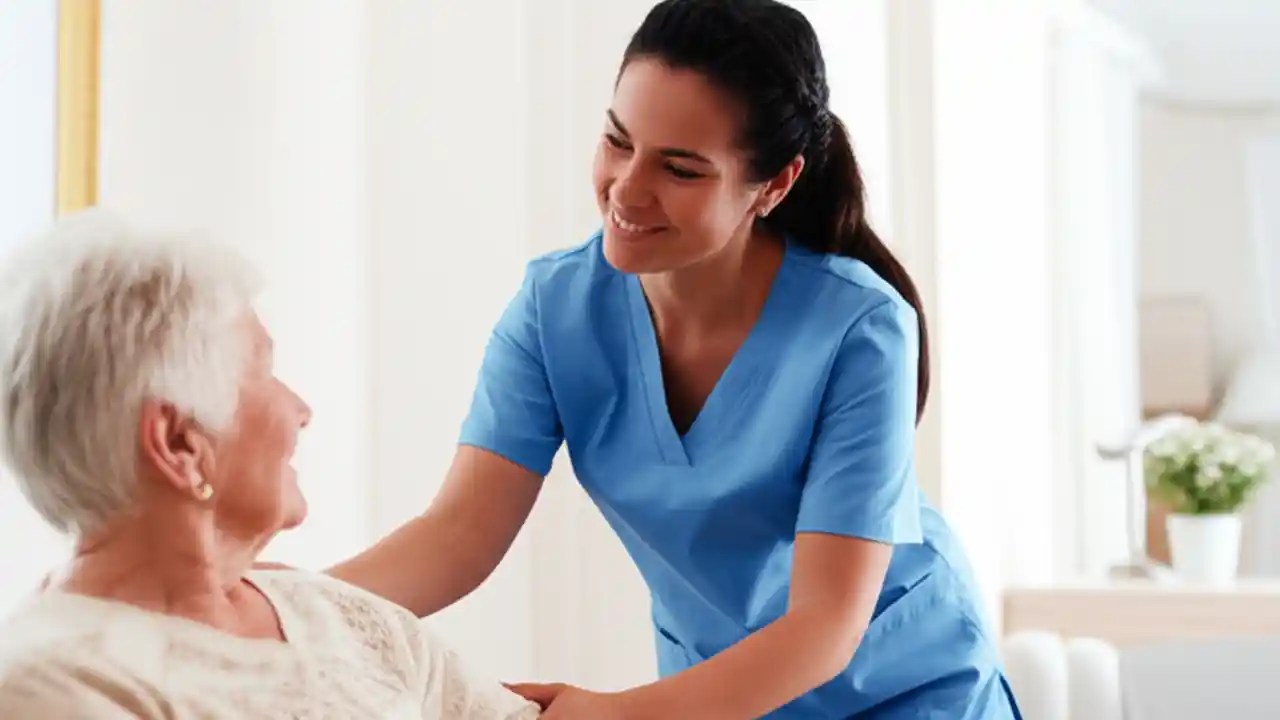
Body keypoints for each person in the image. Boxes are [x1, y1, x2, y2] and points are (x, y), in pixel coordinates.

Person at [331, 0, 1022, 717]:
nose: (626, 190)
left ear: (774, 184)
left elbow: (826, 624)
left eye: (681, 169)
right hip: (716, 692)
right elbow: (458, 534)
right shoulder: (554, 307)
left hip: (906, 685)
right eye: (617, 141)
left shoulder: (861, 330)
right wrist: (272, 606)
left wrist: (614, 713)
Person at [0, 211, 540, 720]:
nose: (300, 410)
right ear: (179, 442)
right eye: (265, 370)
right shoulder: (53, 683)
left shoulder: (344, 617)